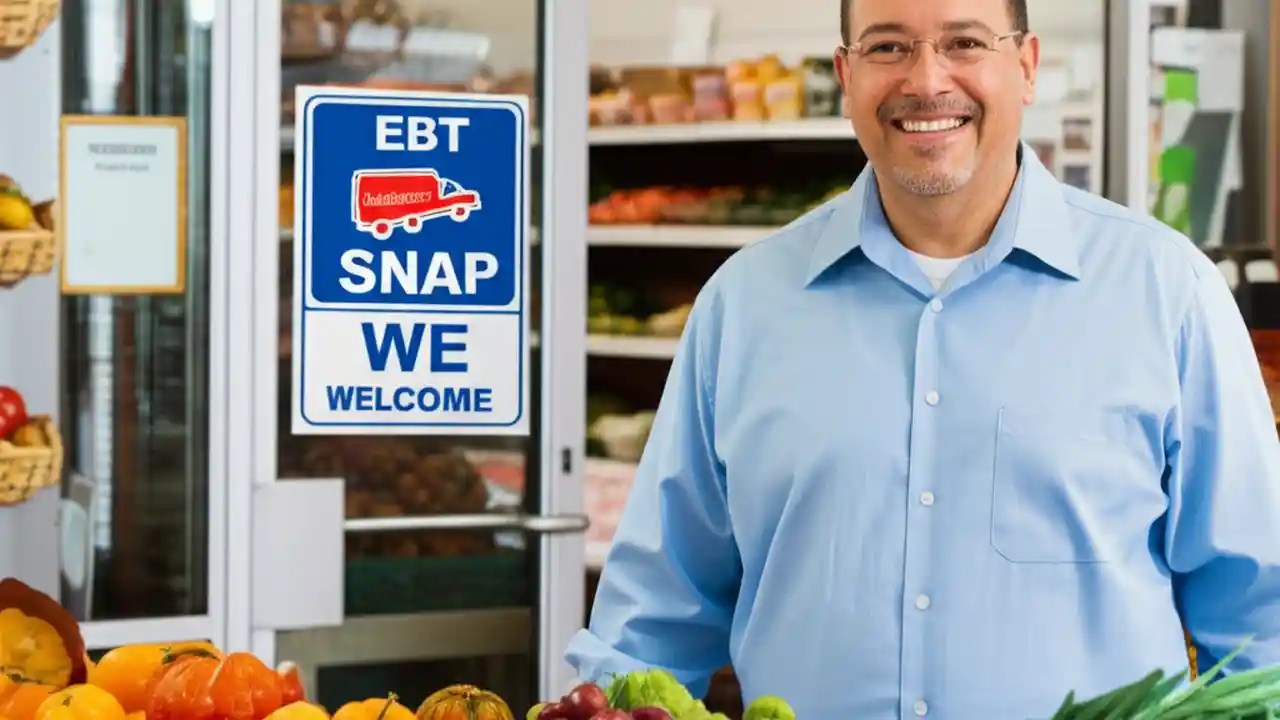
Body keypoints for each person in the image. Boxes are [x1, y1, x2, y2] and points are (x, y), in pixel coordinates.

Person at [564, 0, 1280, 716]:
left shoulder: (1165, 292)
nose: (927, 79)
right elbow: (653, 619)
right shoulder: (744, 306)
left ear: (1025, 66)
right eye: (888, 48)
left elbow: (1260, 621)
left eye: (964, 42)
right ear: (846, 75)